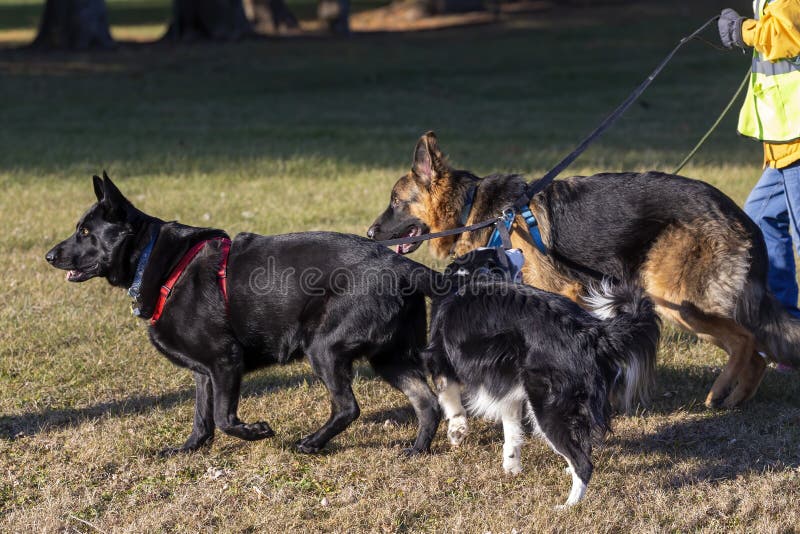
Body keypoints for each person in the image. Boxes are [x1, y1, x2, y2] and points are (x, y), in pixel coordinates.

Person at [719, 1, 800, 371]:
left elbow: (785, 36)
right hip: (786, 141)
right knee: (761, 220)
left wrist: (742, 31)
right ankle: (787, 334)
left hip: (798, 138)